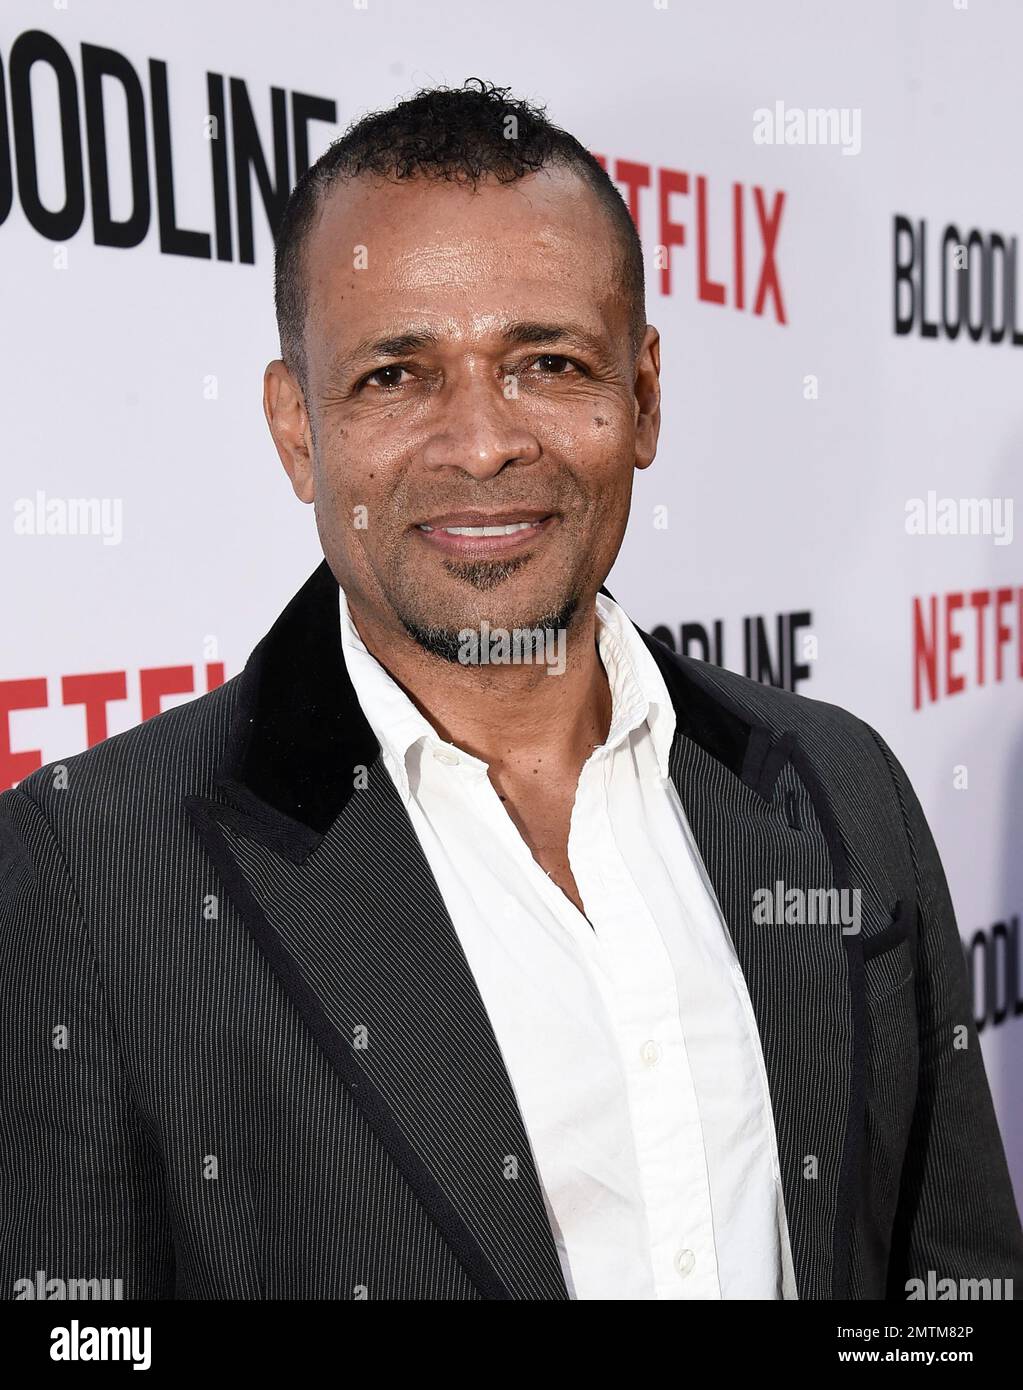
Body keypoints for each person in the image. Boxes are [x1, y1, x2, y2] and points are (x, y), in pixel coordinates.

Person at [2, 79, 1020, 1302]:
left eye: (546, 360)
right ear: (294, 430)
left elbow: (954, 1279)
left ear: (641, 395)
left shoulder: (841, 784)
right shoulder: (86, 869)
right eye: (395, 375)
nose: (482, 442)